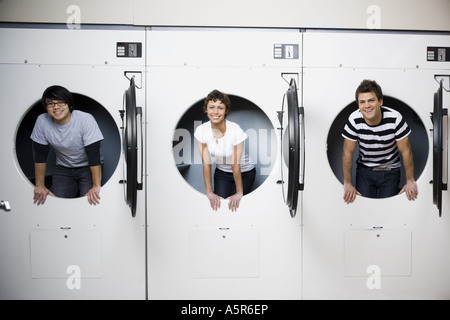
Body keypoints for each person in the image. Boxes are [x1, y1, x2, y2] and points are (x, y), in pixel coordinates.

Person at [342, 80, 418, 204]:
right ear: (358, 104)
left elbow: (406, 151)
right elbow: (347, 152)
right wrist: (347, 183)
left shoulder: (395, 118)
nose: (367, 106)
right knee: (363, 207)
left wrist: (410, 181)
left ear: (380, 102)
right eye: (362, 102)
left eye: (371, 100)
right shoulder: (354, 119)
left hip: (391, 171)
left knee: (387, 207)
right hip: (365, 171)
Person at [31, 85, 104, 206]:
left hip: (87, 167)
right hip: (63, 168)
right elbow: (40, 153)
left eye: (61, 102)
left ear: (69, 104)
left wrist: (96, 185)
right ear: (45, 107)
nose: (56, 107)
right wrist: (40, 185)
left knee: (90, 201)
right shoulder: (42, 121)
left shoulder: (85, 119)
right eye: (50, 103)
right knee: (57, 203)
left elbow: (93, 153)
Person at [194, 90, 256, 212]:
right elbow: (206, 163)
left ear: (226, 111)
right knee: (219, 206)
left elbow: (235, 165)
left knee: (237, 207)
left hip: (245, 172)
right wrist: (209, 192)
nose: (215, 112)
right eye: (211, 107)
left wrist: (239, 192)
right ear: (206, 109)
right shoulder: (201, 130)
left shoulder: (235, 130)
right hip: (222, 173)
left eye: (220, 108)